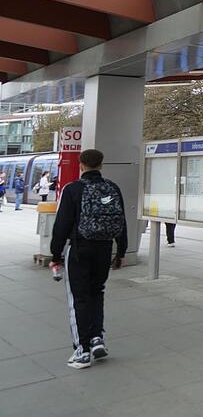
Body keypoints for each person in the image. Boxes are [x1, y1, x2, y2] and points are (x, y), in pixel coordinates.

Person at [49, 149, 127, 370]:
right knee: (97, 292)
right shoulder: (113, 188)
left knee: (79, 299)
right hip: (104, 249)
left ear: (81, 165)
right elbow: (121, 222)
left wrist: (55, 254)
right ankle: (96, 339)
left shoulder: (72, 189)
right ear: (101, 165)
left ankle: (82, 351)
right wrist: (121, 252)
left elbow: (62, 225)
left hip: (79, 249)